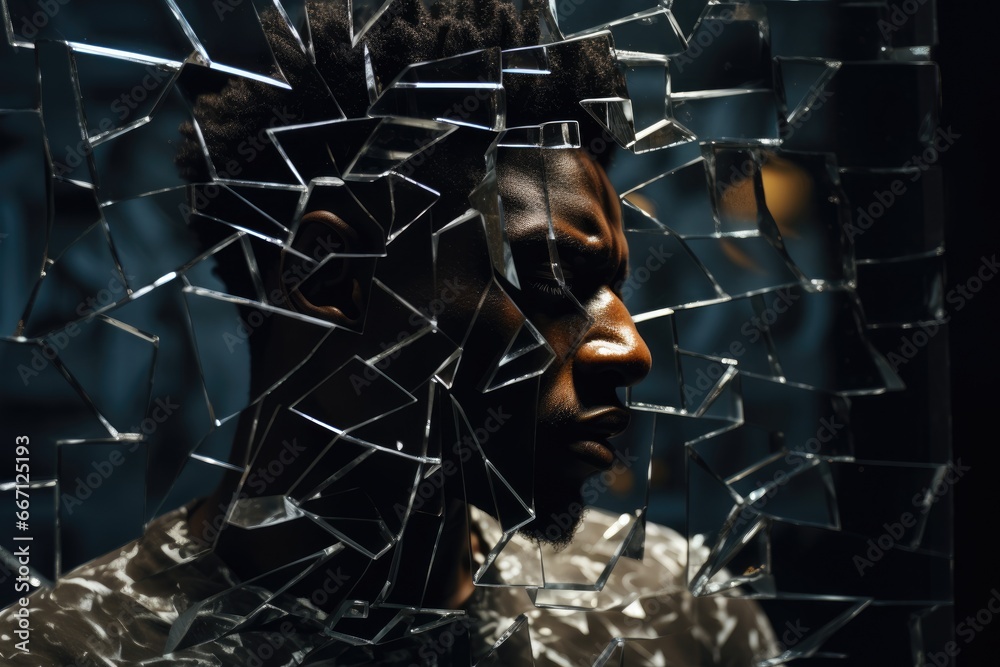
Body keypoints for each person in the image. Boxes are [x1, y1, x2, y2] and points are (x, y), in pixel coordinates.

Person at [0, 1, 776, 664]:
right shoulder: (66, 649)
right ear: (333, 270)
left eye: (614, 288)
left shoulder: (679, 617)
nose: (630, 347)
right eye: (547, 281)